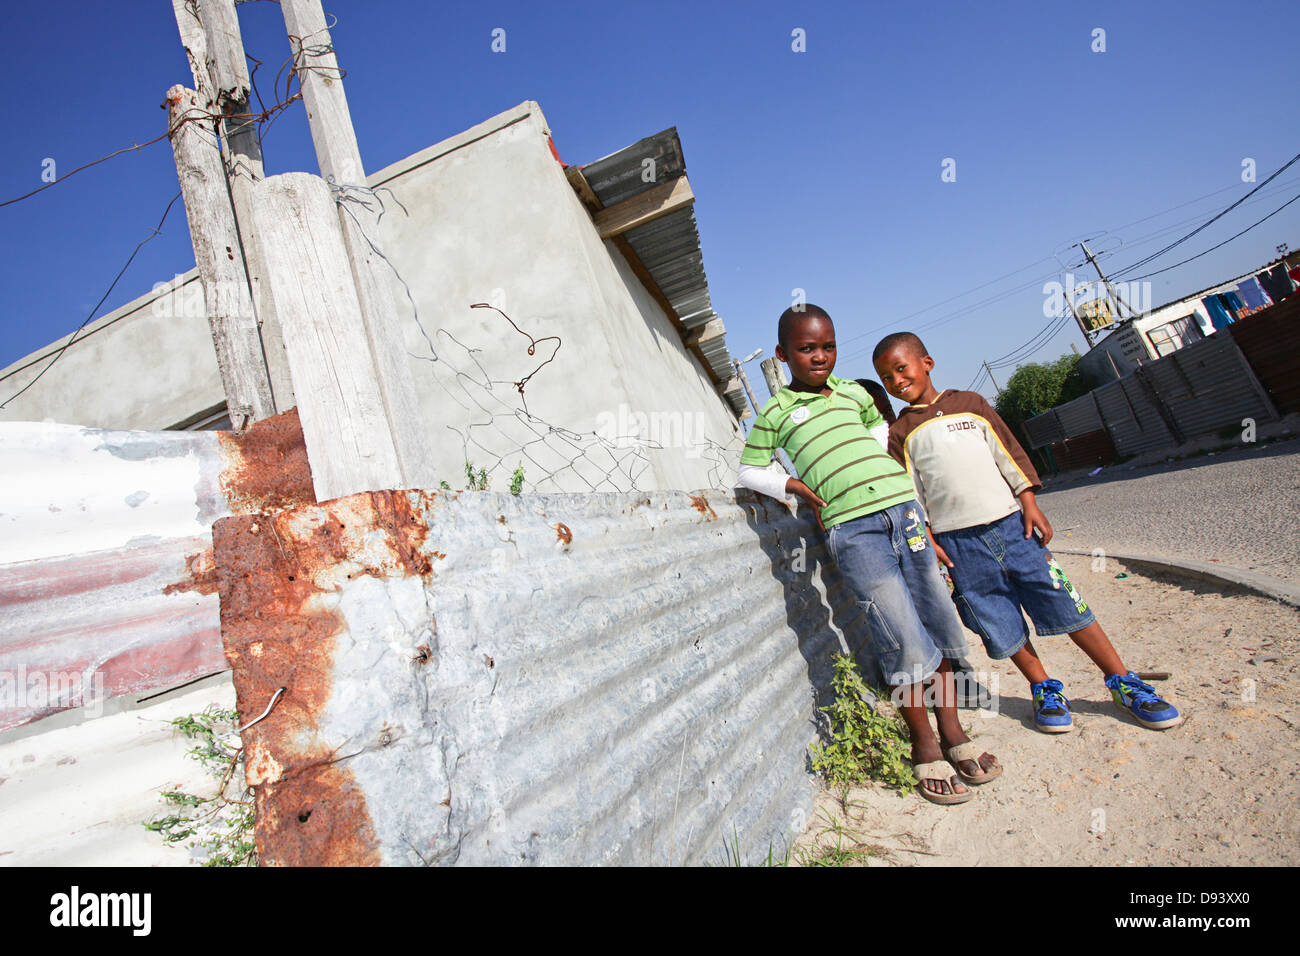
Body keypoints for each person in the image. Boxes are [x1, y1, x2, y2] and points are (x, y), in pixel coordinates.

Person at [737, 305, 1000, 804]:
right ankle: (924, 745)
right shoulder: (774, 413)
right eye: (806, 348)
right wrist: (791, 483)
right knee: (899, 632)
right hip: (853, 530)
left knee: (936, 623)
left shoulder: (856, 394)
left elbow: (879, 438)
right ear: (782, 354)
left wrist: (897, 488)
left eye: (828, 345)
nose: (819, 356)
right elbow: (749, 470)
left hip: (903, 515)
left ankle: (955, 732)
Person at [871, 331, 1182, 733]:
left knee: (1064, 601)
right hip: (958, 546)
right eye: (886, 377)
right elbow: (911, 497)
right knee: (998, 620)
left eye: (901, 368)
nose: (897, 381)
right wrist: (928, 539)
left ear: (926, 362)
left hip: (1013, 527)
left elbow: (1010, 453)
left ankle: (1122, 680)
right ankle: (1044, 688)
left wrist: (1030, 502)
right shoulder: (901, 434)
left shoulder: (971, 405)